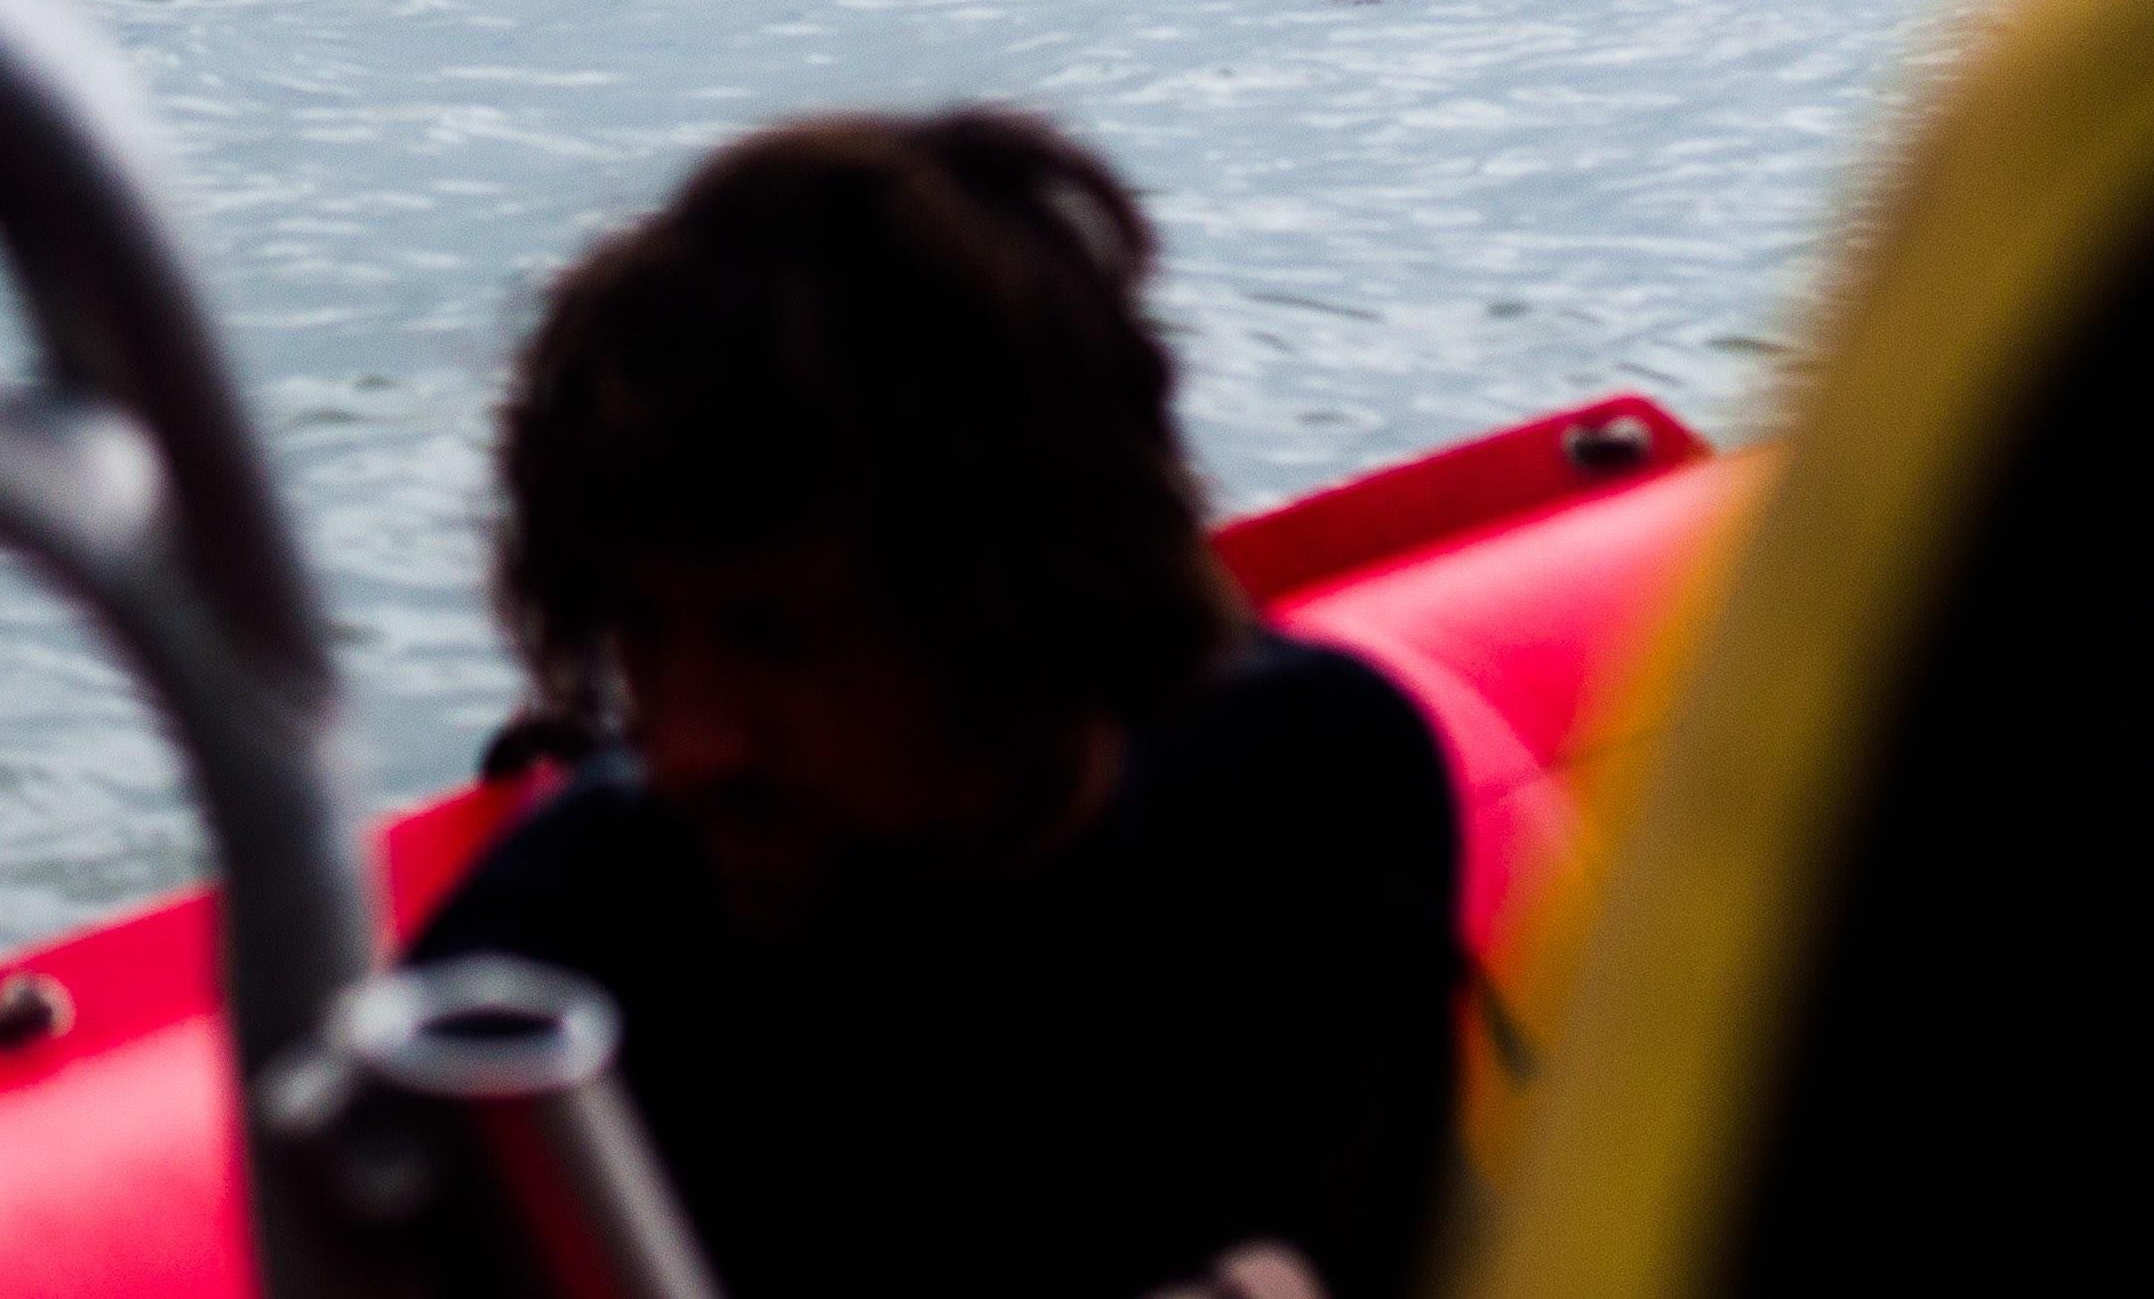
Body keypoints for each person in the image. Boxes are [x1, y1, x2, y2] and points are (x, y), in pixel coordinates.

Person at [411, 109, 1464, 1299]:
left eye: (781, 641)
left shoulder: (1316, 797)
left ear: (1036, 596)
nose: (691, 744)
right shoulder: (542, 1010)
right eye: (643, 635)